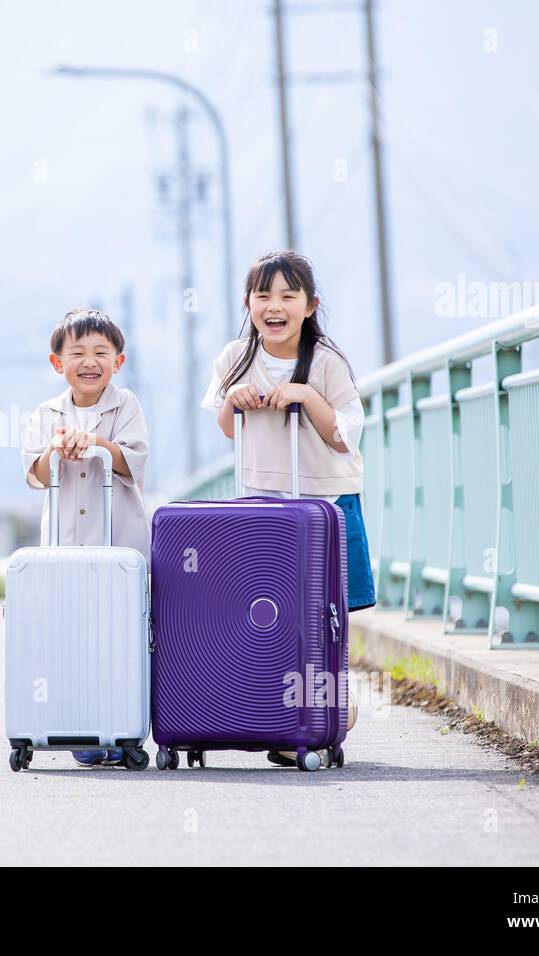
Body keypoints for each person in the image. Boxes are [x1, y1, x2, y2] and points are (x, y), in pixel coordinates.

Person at [200, 251, 372, 766]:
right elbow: (226, 425)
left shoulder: (326, 362)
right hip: (262, 502)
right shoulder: (234, 357)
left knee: (323, 615)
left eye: (288, 296)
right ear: (248, 303)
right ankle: (276, 717)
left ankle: (323, 708)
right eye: (263, 295)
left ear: (310, 305)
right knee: (268, 615)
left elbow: (344, 436)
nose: (274, 306)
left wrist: (304, 395)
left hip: (326, 503)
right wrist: (239, 398)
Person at [20, 308, 151, 767]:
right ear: (58, 363)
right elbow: (34, 473)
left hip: (118, 544)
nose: (90, 361)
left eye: (101, 352)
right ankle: (80, 724)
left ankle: (120, 723)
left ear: (119, 360)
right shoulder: (44, 414)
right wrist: (57, 447)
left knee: (118, 634)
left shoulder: (126, 405)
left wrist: (94, 444)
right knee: (71, 634)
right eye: (77, 353)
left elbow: (133, 460)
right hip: (63, 546)